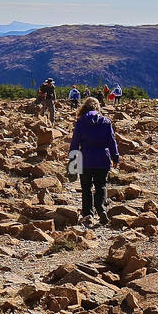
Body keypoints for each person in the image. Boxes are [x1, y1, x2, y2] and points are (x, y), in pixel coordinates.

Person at [68, 96, 120, 225]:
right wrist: (115, 157)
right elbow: (112, 142)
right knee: (101, 186)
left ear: (85, 107)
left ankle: (88, 214)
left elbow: (75, 143)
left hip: (85, 159)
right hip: (103, 158)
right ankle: (101, 209)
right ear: (98, 107)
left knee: (86, 188)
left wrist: (72, 163)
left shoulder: (80, 122)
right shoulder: (106, 121)